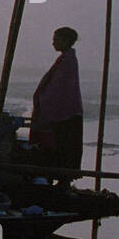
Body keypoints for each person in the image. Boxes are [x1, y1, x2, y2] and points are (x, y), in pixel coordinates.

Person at [31, 26, 83, 185]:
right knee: (60, 150)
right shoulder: (65, 60)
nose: (53, 43)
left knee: (60, 149)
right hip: (64, 115)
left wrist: (42, 102)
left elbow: (58, 90)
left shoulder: (67, 62)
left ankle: (61, 182)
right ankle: (59, 181)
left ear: (66, 41)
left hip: (64, 116)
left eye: (56, 39)